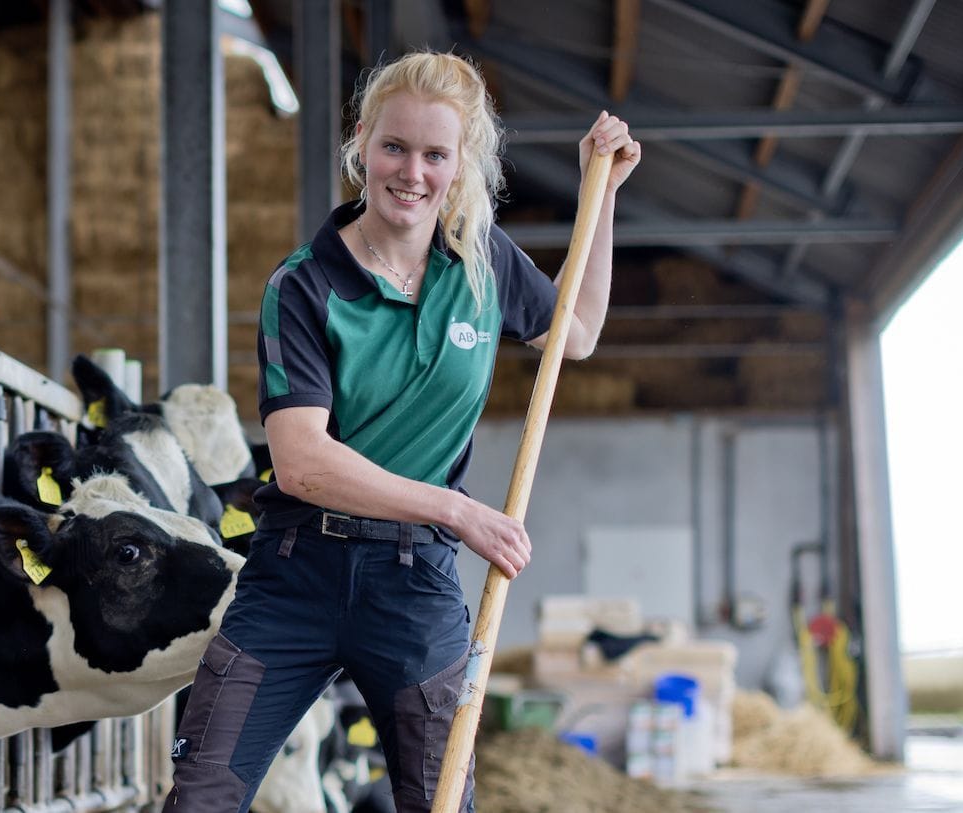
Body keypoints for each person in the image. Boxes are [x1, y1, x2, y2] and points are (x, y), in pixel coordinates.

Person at [163, 51, 639, 812]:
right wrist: (457, 508)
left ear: (461, 164)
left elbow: (576, 332)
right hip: (296, 573)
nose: (410, 171)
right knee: (202, 795)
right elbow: (301, 463)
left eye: (435, 154)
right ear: (362, 143)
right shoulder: (304, 285)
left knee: (438, 801)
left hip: (414, 586)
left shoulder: (480, 265)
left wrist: (601, 195)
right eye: (394, 146)